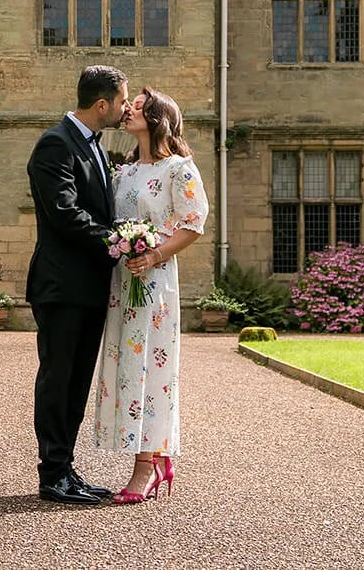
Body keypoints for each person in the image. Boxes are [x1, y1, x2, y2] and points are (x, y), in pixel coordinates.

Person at [92, 86, 208, 503]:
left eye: (138, 107)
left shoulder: (179, 169)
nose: (128, 111)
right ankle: (156, 459)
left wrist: (155, 254)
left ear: (157, 118)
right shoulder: (122, 172)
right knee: (125, 365)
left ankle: (146, 466)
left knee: (150, 369)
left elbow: (193, 224)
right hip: (121, 284)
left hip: (155, 283)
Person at [25, 64, 129, 504]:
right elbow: (65, 212)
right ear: (102, 104)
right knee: (59, 379)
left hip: (89, 286)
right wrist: (117, 241)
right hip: (61, 286)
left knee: (77, 381)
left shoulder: (94, 146)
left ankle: (66, 469)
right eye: (122, 101)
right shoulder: (56, 144)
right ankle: (52, 474)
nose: (126, 109)